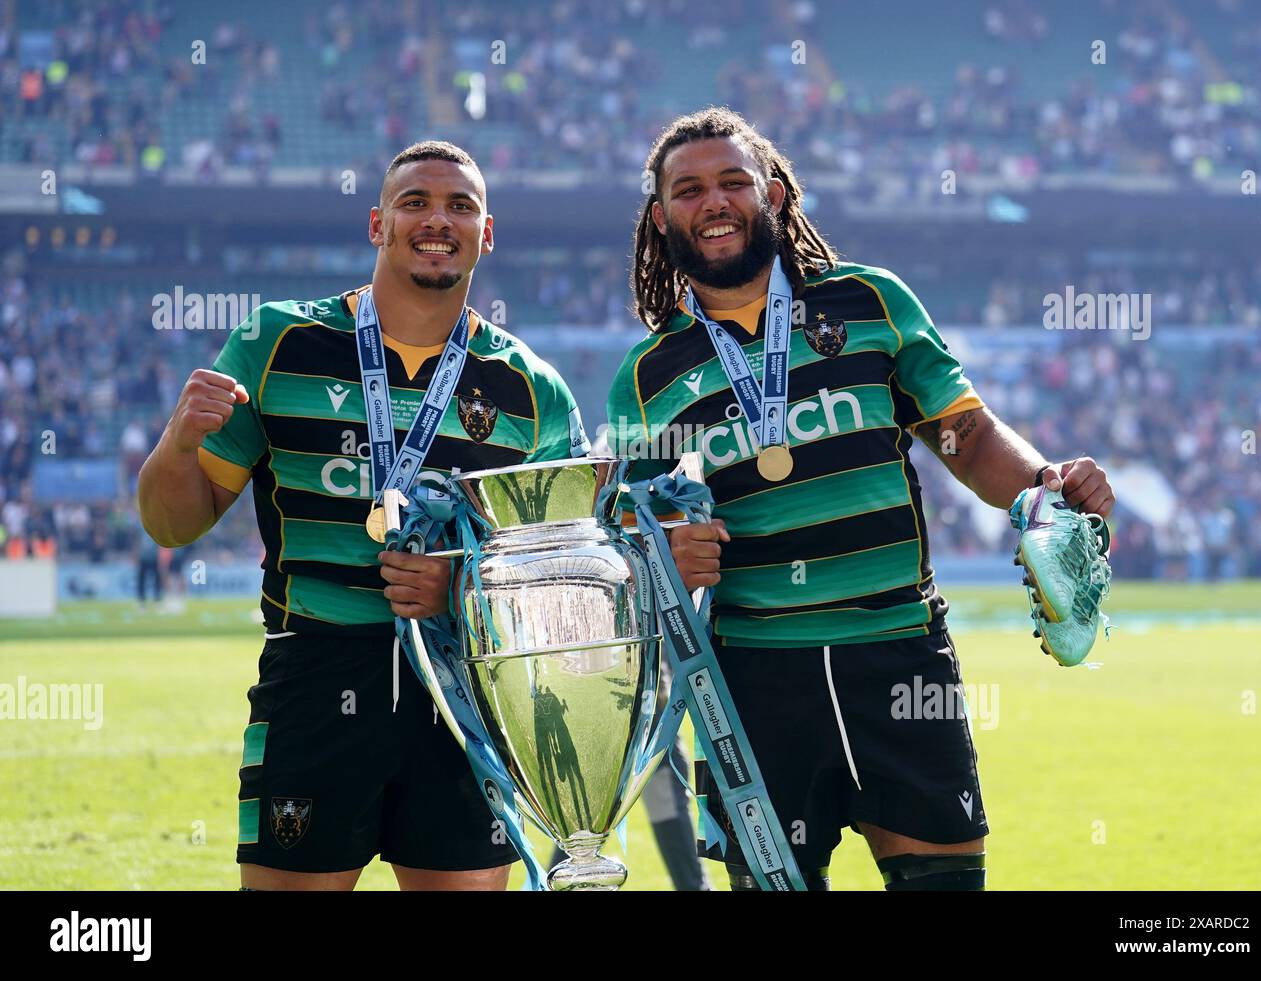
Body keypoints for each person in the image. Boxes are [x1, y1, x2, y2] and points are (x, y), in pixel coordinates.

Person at [607, 108, 1116, 891]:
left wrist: (1046, 491)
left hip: (899, 656)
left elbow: (967, 438)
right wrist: (662, 550)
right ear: (660, 215)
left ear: (774, 196)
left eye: (734, 181)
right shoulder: (645, 378)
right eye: (689, 189)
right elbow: (626, 539)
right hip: (750, 685)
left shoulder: (869, 303)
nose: (714, 201)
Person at [138, 140, 589, 891]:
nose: (437, 219)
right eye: (415, 201)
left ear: (487, 231)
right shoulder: (277, 342)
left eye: (460, 206)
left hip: (466, 687)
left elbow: (564, 582)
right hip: (316, 675)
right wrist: (178, 443)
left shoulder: (531, 388)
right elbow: (170, 525)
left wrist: (463, 595)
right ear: (378, 223)